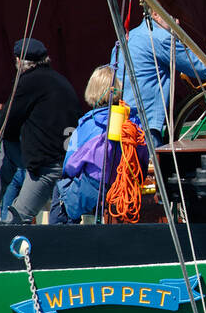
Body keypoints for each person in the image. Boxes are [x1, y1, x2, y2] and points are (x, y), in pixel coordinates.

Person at [0, 38, 81, 223]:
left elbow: (7, 122)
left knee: (15, 220)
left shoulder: (28, 82)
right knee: (8, 147)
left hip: (47, 167)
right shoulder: (59, 80)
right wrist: (2, 132)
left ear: (19, 61)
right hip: (67, 159)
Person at [57, 66, 150, 222]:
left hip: (93, 189)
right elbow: (142, 162)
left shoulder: (87, 125)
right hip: (124, 190)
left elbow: (71, 166)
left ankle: (61, 238)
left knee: (61, 188)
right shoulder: (134, 125)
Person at [113, 14, 206, 145]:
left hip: (119, 124)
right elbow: (200, 67)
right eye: (173, 16)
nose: (178, 22)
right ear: (155, 14)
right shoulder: (160, 39)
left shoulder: (125, 39)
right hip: (145, 129)